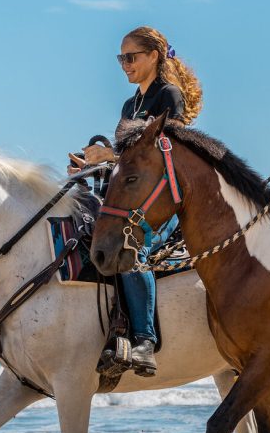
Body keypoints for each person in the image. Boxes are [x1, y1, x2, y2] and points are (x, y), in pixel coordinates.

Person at [70, 26, 203, 376]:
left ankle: (144, 339)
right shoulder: (131, 104)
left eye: (131, 57)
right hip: (131, 201)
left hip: (162, 206)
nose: (124, 65)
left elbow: (164, 158)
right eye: (121, 58)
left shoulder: (168, 96)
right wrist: (90, 163)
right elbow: (127, 162)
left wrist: (109, 154)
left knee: (130, 249)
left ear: (154, 56)